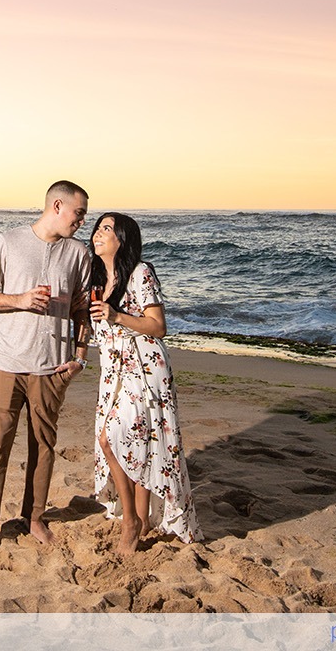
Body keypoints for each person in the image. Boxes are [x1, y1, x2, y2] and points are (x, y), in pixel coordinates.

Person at [0, 180, 92, 561]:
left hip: (52, 366)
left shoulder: (78, 254)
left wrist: (79, 357)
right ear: (56, 205)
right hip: (7, 362)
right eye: (78, 213)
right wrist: (19, 299)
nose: (82, 221)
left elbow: (82, 310)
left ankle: (34, 517)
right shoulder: (9, 242)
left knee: (43, 445)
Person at [87, 212, 199, 555]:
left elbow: (158, 326)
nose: (98, 233)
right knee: (125, 441)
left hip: (144, 368)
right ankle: (138, 517)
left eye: (108, 229)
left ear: (123, 239)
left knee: (120, 439)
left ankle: (133, 522)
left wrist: (117, 315)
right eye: (98, 227)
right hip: (112, 370)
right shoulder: (95, 278)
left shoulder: (140, 272)